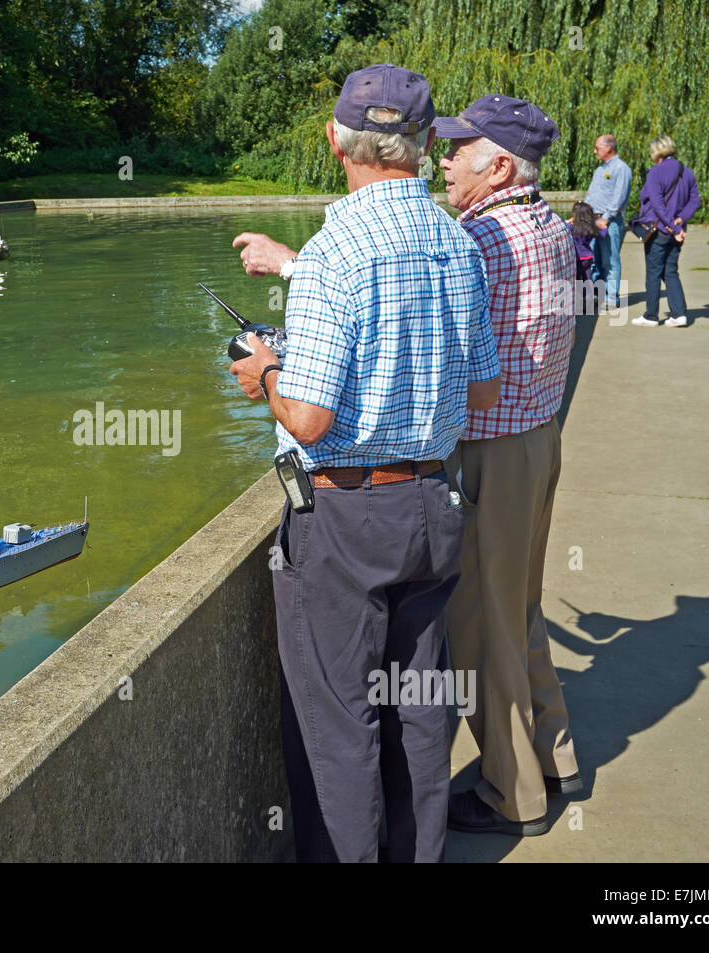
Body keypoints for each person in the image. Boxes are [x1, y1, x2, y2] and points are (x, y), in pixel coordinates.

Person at [229, 64, 501, 863]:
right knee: (419, 706)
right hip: (432, 503)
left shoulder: (330, 250)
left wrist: (264, 372)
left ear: (334, 142)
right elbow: (480, 390)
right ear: (422, 143)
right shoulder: (458, 240)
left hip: (346, 519)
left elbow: (309, 418)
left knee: (338, 716)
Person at [433, 94, 581, 836]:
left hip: (494, 449)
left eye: (459, 148)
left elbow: (421, 327)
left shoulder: (482, 239)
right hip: (539, 438)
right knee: (519, 607)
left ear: (498, 165)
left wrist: (299, 267)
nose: (443, 157)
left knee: (480, 622)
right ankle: (556, 756)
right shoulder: (547, 225)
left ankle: (511, 793)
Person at [631, 136, 700, 328]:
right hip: (676, 233)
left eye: (651, 152)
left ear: (658, 152)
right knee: (671, 271)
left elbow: (658, 205)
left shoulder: (655, 173)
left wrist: (672, 225)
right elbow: (695, 201)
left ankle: (651, 315)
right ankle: (679, 314)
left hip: (659, 230)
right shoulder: (687, 172)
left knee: (653, 272)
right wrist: (680, 221)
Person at [584, 135, 631, 311]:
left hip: (608, 222)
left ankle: (612, 297)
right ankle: (599, 293)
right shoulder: (600, 170)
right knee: (595, 258)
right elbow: (592, 195)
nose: (595, 151)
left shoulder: (621, 169)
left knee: (610, 259)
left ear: (609, 148)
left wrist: (606, 217)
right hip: (593, 220)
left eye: (597, 147)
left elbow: (619, 196)